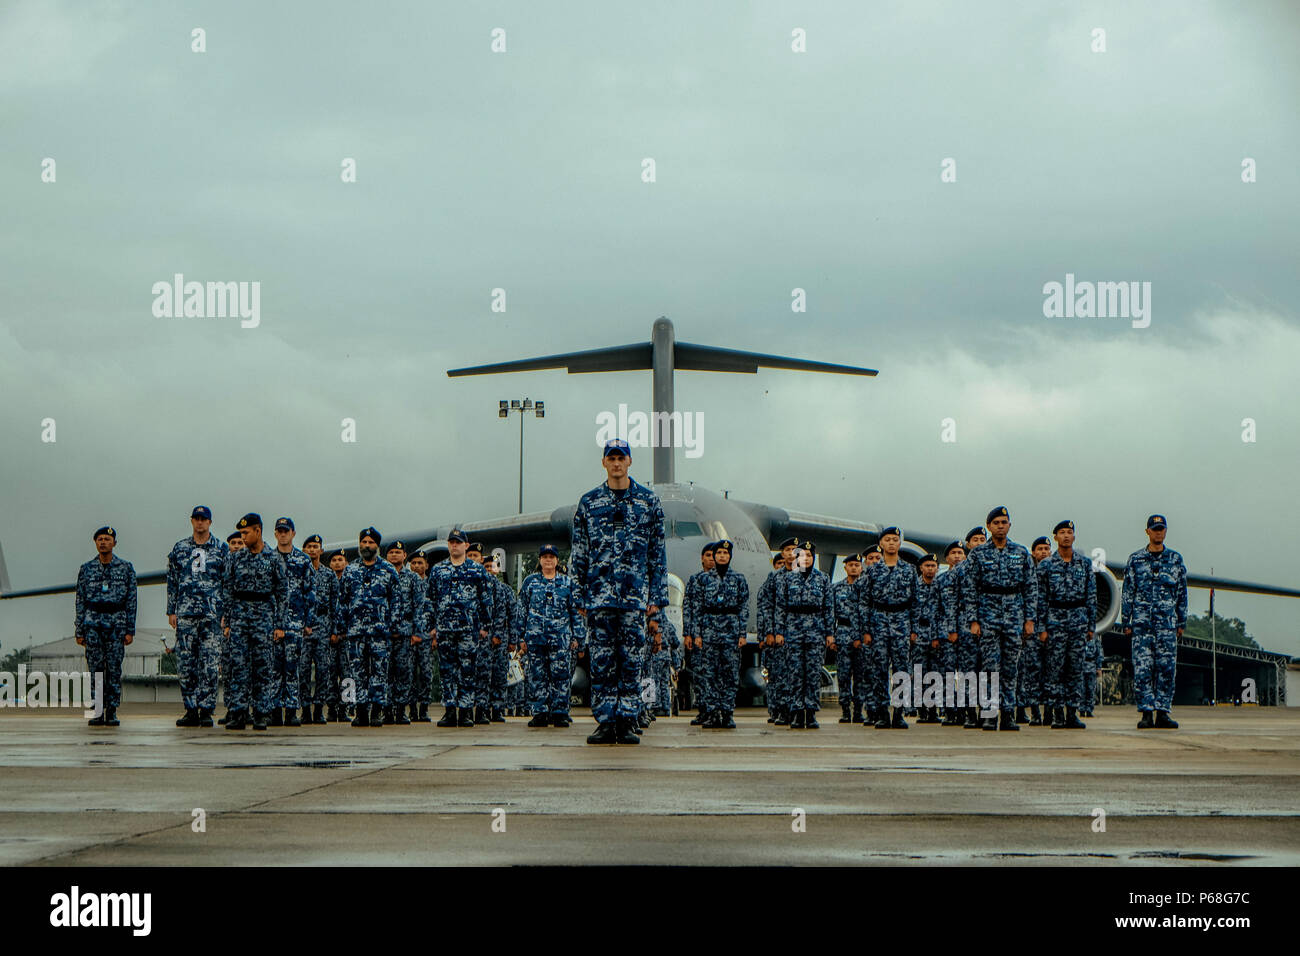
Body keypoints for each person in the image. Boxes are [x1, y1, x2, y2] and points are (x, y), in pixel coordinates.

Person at [570, 439, 667, 745]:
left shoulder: (647, 502)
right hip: (599, 598)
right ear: (604, 463)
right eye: (611, 458)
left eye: (620, 458)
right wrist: (579, 596)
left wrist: (656, 600)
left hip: (634, 598)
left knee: (630, 660)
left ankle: (627, 720)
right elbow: (580, 554)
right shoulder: (589, 503)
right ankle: (606, 721)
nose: (616, 464)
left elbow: (657, 555)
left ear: (629, 462)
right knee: (601, 661)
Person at [961, 508, 1037, 731]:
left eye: (1004, 522)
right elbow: (970, 589)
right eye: (996, 522)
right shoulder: (978, 555)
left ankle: (1008, 714)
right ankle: (990, 713)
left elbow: (1031, 588)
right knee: (990, 667)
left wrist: (1029, 619)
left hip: (1014, 613)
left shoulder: (1021, 553)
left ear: (1009, 526)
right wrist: (973, 620)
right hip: (988, 613)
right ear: (989, 527)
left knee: (1011, 667)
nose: (1001, 526)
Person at [220, 514, 288, 731]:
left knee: (263, 666)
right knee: (238, 666)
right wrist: (228, 620)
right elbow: (228, 590)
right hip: (240, 616)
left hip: (263, 616)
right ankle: (238, 712)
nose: (243, 537)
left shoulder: (273, 558)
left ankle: (261, 713)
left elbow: (282, 592)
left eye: (246, 533)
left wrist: (280, 624)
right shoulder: (235, 558)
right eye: (241, 533)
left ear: (258, 531)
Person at [1122, 514, 1186, 729]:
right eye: (1154, 529)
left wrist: (1181, 621)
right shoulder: (1136, 559)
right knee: (1142, 669)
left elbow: (1181, 592)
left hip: (1166, 624)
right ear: (1147, 531)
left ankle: (1163, 712)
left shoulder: (1175, 559)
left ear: (1165, 531)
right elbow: (1128, 590)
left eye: (1161, 529)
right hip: (1142, 624)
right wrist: (1126, 619)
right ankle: (1146, 712)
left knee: (1166, 668)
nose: (1158, 532)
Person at [166, 506, 228, 728]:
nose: (200, 523)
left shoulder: (221, 548)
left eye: (204, 519)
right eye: (197, 519)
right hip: (186, 614)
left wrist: (225, 614)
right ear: (191, 521)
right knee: (186, 663)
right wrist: (171, 610)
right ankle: (190, 708)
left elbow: (227, 583)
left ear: (210, 522)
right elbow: (172, 580)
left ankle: (206, 709)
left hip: (212, 615)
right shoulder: (180, 548)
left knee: (210, 664)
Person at [427, 530, 493, 727]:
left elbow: (485, 599)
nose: (454, 545)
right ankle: (449, 711)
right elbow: (430, 599)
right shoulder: (438, 570)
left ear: (466, 545)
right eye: (452, 542)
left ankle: (465, 712)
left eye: (458, 542)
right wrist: (431, 626)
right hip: (445, 629)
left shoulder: (476, 570)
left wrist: (485, 625)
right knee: (447, 671)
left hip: (468, 629)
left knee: (467, 670)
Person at [336, 527, 399, 727]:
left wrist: (393, 624)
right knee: (357, 672)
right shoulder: (351, 570)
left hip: (380, 632)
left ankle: (377, 710)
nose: (367, 546)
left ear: (377, 546)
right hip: (355, 631)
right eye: (364, 542)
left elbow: (396, 600)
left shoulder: (388, 570)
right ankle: (361, 710)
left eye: (371, 543)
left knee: (380, 671)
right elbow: (343, 600)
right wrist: (342, 625)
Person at [856, 528, 919, 729]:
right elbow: (864, 602)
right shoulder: (872, 571)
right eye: (887, 540)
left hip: (902, 621)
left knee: (902, 670)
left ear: (900, 543)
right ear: (881, 544)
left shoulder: (909, 570)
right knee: (879, 670)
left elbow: (916, 602)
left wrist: (914, 629)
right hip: (878, 622)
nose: (891, 543)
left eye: (895, 540)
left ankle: (899, 713)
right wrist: (865, 630)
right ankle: (882, 713)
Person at [1037, 520, 1096, 730]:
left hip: (1078, 620)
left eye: (1069, 532)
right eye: (1062, 532)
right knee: (1055, 669)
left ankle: (1073, 712)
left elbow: (1091, 596)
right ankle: (1057, 713)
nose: (1066, 536)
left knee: (1075, 669)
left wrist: (1091, 625)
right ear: (1055, 537)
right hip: (1055, 620)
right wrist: (1041, 627)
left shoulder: (1085, 564)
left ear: (1074, 536)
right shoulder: (1046, 565)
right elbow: (1040, 598)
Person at [75, 526, 137, 727]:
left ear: (114, 543)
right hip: (93, 623)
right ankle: (97, 710)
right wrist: (80, 629)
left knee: (113, 669)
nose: (103, 542)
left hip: (116, 623)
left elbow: (132, 600)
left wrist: (129, 629)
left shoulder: (126, 568)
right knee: (96, 669)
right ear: (95, 543)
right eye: (100, 539)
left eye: (107, 539)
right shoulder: (86, 569)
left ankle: (112, 710)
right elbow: (80, 600)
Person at [518, 544, 585, 727]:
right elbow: (522, 610)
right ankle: (540, 712)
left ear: (557, 560)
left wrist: (578, 638)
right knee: (537, 676)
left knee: (561, 676)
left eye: (551, 557)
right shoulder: (530, 582)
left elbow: (575, 613)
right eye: (545, 557)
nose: (548, 560)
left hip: (561, 638)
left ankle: (560, 712)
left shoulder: (567, 583)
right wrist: (521, 637)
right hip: (535, 638)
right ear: (540, 560)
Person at [688, 538, 749, 729]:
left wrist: (742, 633)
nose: (722, 556)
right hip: (709, 629)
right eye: (719, 553)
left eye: (726, 553)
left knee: (730, 673)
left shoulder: (738, 579)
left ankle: (728, 712)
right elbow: (696, 607)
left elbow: (743, 607)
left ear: (730, 556)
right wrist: (696, 633)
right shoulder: (703, 579)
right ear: (714, 556)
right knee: (710, 673)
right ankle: (714, 712)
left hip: (731, 629)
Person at [774, 540, 834, 729]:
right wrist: (779, 631)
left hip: (815, 629)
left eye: (809, 555)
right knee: (795, 673)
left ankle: (811, 712)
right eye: (801, 555)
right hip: (793, 628)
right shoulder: (787, 578)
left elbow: (828, 608)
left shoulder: (822, 579)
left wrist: (829, 633)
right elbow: (780, 607)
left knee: (813, 673)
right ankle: (797, 712)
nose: (805, 558)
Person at [270, 517, 315, 727]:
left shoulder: (303, 560)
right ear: (275, 534)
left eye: (286, 531)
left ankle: (291, 711)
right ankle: (274, 710)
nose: (283, 534)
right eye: (279, 531)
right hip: (272, 624)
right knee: (273, 669)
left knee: (292, 668)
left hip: (295, 624)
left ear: (293, 533)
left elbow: (310, 593)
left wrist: (308, 621)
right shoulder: (268, 558)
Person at [758, 540, 796, 725]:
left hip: (800, 631)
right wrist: (769, 632)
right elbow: (766, 606)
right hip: (780, 632)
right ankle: (782, 710)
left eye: (794, 550)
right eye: (787, 550)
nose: (791, 553)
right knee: (780, 674)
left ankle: (797, 709)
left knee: (797, 673)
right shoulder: (774, 578)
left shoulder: (804, 576)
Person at [1017, 536, 1052, 726]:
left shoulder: (1056, 573)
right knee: (1030, 672)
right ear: (1033, 553)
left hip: (1051, 628)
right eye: (1039, 549)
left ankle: (1049, 712)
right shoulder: (1025, 574)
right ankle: (1033, 712)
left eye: (1046, 549)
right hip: (1030, 631)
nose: (1043, 552)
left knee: (1051, 671)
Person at [682, 543, 716, 725]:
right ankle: (703, 709)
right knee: (699, 673)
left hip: (717, 634)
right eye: (708, 555)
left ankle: (717, 710)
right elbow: (688, 607)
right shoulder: (694, 580)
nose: (711, 559)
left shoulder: (724, 579)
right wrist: (687, 633)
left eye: (714, 555)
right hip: (697, 635)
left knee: (717, 673)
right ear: (702, 558)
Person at [831, 553, 865, 723]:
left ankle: (858, 710)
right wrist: (831, 636)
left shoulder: (866, 588)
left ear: (861, 567)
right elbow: (830, 614)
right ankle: (845, 710)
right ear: (844, 567)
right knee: (843, 674)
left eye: (857, 565)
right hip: (843, 632)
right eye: (850, 564)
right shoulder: (836, 588)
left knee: (860, 675)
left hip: (861, 635)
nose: (854, 567)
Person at [217, 530, 246, 725]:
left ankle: (245, 709)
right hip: (227, 624)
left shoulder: (251, 564)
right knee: (228, 669)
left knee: (246, 668)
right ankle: (230, 709)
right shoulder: (222, 566)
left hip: (246, 623)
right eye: (233, 543)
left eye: (239, 542)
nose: (236, 546)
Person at [407, 550, 435, 722]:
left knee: (426, 673)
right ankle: (411, 708)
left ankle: (424, 708)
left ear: (426, 565)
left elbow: (439, 607)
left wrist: (435, 632)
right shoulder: (405, 582)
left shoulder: (432, 584)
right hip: (409, 635)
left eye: (420, 563)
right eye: (414, 563)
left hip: (427, 635)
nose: (417, 566)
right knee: (408, 673)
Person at [914, 553, 941, 723]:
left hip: (936, 633)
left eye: (933, 566)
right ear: (921, 568)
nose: (930, 569)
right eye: (927, 566)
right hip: (918, 632)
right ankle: (920, 709)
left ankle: (933, 710)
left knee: (935, 674)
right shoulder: (914, 586)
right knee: (919, 673)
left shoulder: (941, 586)